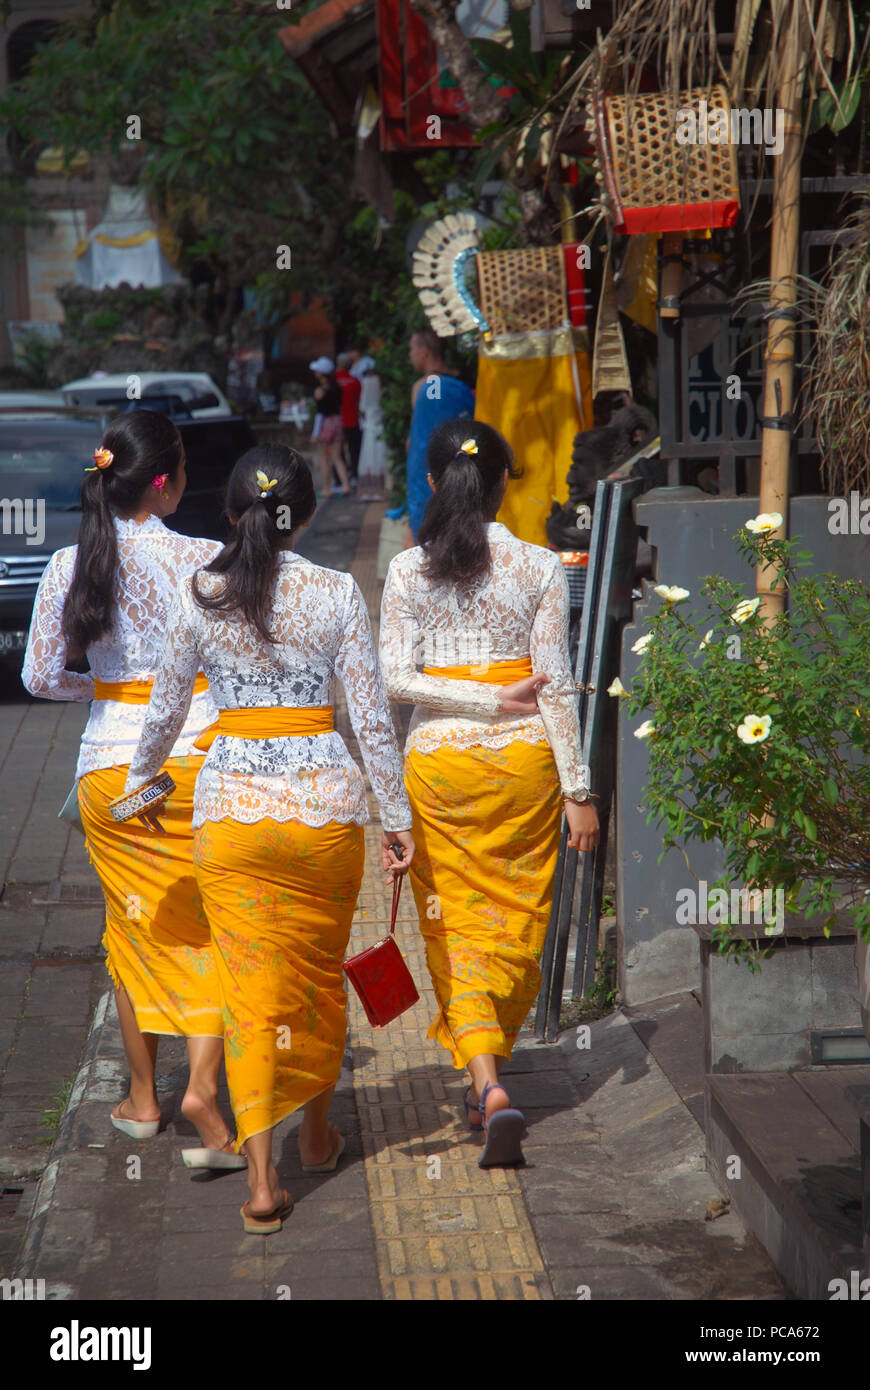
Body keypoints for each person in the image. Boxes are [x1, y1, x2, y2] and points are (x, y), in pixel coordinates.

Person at [120, 444, 414, 1233]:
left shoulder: (202, 592)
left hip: (231, 819)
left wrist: (136, 782)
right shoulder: (336, 591)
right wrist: (398, 817)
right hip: (323, 817)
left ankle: (260, 1182)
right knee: (316, 978)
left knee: (252, 995)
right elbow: (373, 719)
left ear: (230, 511)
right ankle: (315, 1138)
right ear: (308, 510)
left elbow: (164, 711)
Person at [21, 410, 240, 1165]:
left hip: (111, 774)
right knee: (210, 926)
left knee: (132, 932)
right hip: (200, 763)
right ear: (163, 481)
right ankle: (205, 1089)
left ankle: (144, 1101)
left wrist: (113, 694)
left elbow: (41, 677)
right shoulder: (210, 556)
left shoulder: (66, 563)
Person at [379, 420, 599, 1168]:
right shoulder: (539, 565)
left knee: (453, 929)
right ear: (505, 483)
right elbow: (558, 686)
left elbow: (396, 682)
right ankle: (490, 1076)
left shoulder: (409, 571)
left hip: (440, 772)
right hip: (526, 771)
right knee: (513, 923)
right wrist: (579, 789)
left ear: (435, 483)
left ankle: (486, 1084)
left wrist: (472, 704)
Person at [405, 329, 475, 544]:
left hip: (428, 479)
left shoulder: (424, 387)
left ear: (424, 352)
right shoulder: (464, 383)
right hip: (466, 473)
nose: (410, 355)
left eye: (412, 349)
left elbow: (415, 442)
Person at [308, 357, 350, 499]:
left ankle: (327, 489)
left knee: (324, 458)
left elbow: (320, 414)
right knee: (337, 457)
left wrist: (315, 433)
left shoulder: (320, 391)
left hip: (325, 425)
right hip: (338, 422)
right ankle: (345, 485)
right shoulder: (337, 388)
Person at [357, 361, 389, 501]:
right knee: (380, 458)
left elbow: (362, 409)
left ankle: (369, 491)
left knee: (370, 458)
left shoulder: (367, 383)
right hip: (379, 429)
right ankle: (381, 490)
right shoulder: (381, 387)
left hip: (370, 430)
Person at [335, 352, 362, 486]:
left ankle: (339, 479)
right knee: (354, 450)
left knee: (337, 453)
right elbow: (359, 401)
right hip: (353, 420)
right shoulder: (355, 381)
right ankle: (354, 476)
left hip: (337, 421)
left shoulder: (333, 380)